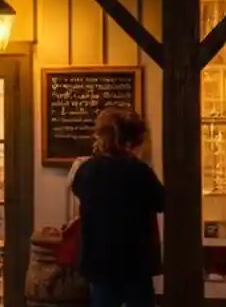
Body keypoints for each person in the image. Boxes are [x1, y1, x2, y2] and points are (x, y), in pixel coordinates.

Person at [70, 109, 163, 307]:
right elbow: (163, 202)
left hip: (99, 260)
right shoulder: (140, 172)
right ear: (132, 140)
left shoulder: (87, 170)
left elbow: (78, 192)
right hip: (135, 261)